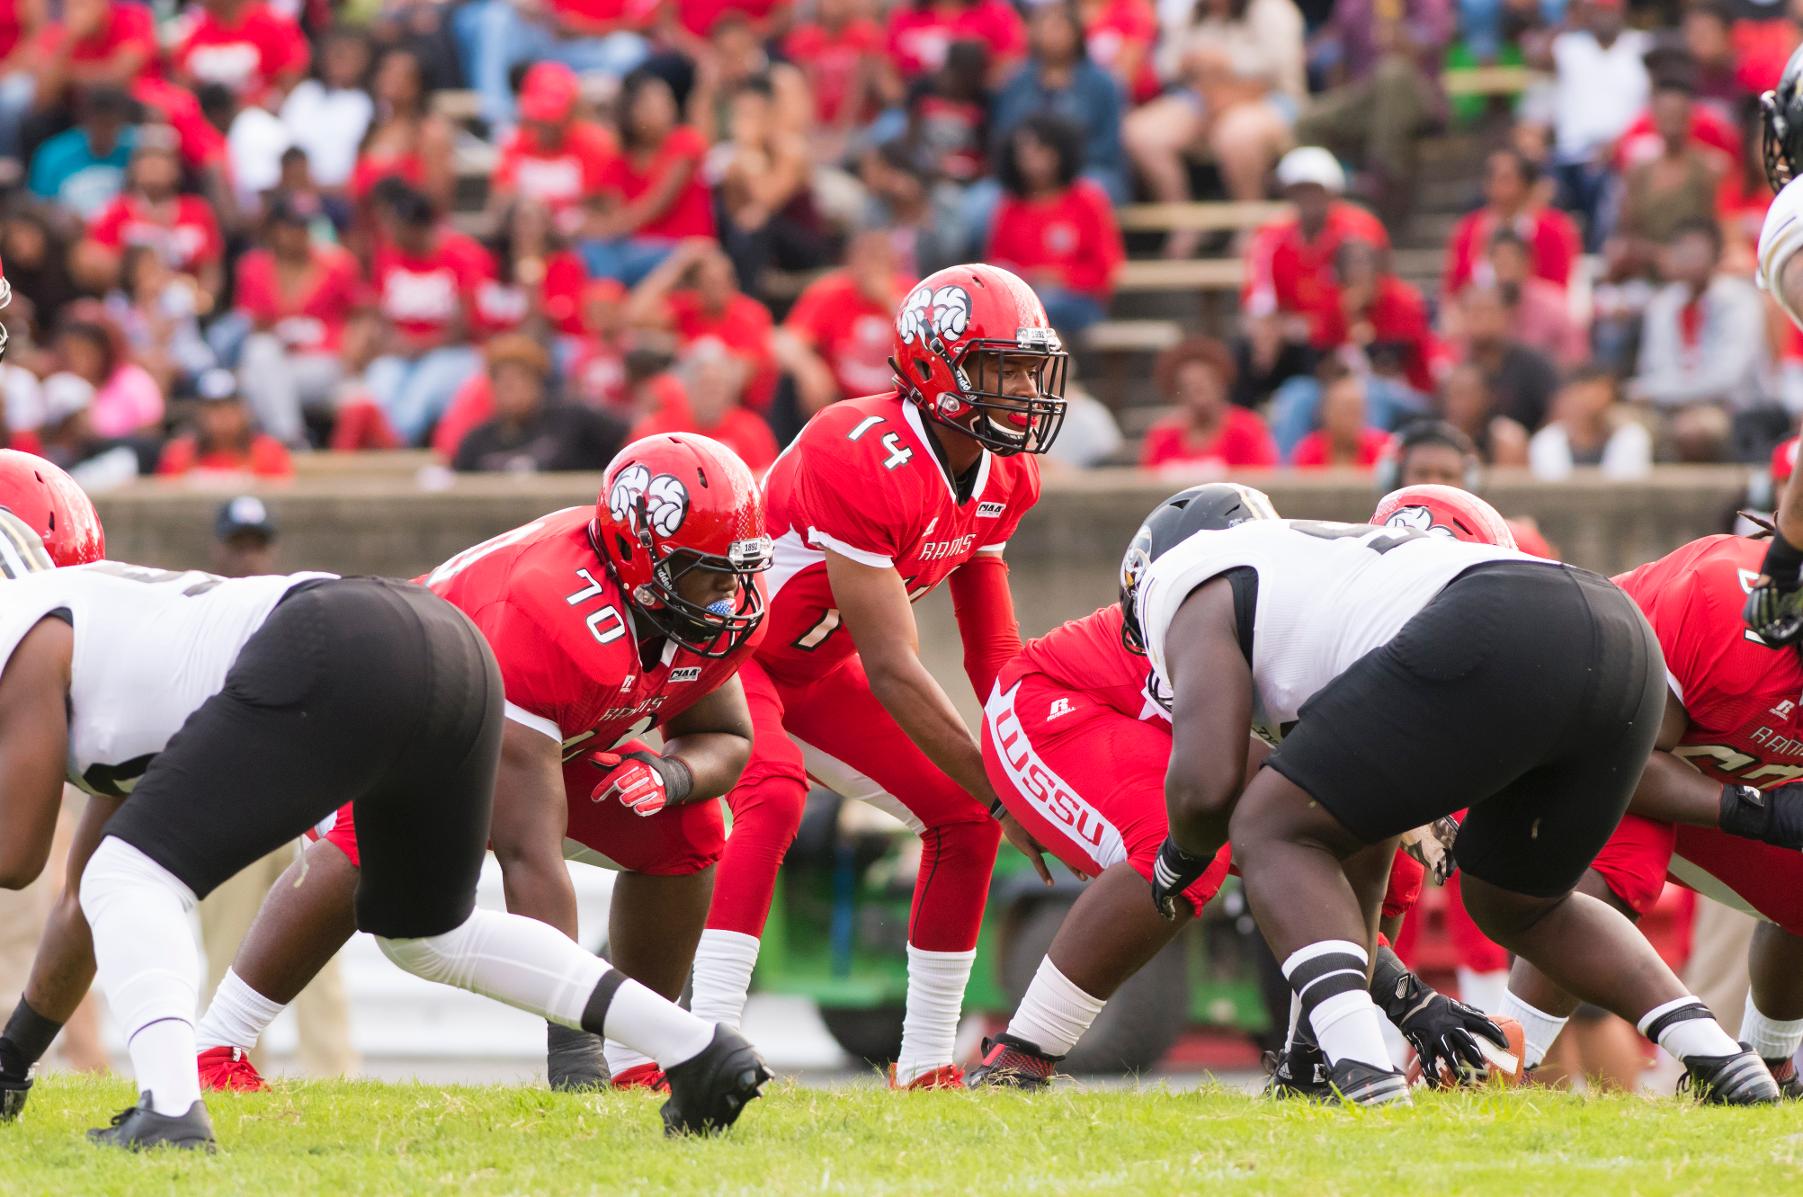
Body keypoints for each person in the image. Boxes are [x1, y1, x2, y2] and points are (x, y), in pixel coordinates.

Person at [0, 444, 773, 1148]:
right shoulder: (100, 635)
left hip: (348, 641)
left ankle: (172, 1106)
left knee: (131, 878)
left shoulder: (29, 624)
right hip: (439, 644)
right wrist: (13, 1059)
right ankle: (695, 1046)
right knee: (426, 934)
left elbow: (16, 857)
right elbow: (75, 895)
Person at [1125, 509, 1777, 1105]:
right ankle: (1722, 1057)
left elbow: (1204, 787)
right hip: (1619, 630)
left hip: (1499, 622)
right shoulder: (1313, 586)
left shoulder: (1188, 578)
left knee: (1264, 826)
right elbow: (1353, 842)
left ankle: (1364, 1075)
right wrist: (1301, 1053)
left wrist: (1178, 857)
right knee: (1520, 900)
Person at [969, 483, 1501, 1091]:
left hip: (1186, 734)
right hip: (1054, 703)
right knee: (1184, 849)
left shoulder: (1352, 612)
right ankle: (1020, 1057)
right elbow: (1211, 787)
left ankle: (1312, 1061)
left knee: (1386, 862)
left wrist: (1401, 992)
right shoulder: (1313, 610)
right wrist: (1406, 997)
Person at [687, 263, 1066, 1089]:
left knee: (966, 818)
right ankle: (703, 1043)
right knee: (776, 791)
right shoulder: (856, 449)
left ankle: (926, 1061)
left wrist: (1023, 778)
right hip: (727, 654)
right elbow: (894, 668)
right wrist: (1011, 796)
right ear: (936, 368)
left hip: (815, 669)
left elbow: (992, 653)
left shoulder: (1005, 472)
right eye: (1000, 367)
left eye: (1030, 368)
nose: (1022, 388)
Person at [1502, 531, 1803, 1095]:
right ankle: (1504, 1057)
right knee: (1627, 865)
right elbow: (1621, 756)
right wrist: (1760, 812)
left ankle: (1774, 1067)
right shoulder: (1719, 603)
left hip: (1708, 772)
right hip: (1595, 752)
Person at [193, 496, 357, 1083]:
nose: (247, 557)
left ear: (273, 549)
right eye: (238, 545)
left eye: (256, 545)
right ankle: (226, 1068)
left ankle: (332, 1077)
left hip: (301, 799)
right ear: (218, 549)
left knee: (320, 953)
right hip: (228, 807)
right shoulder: (200, 614)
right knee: (227, 950)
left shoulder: (301, 613)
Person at [1126, 0, 1304, 247]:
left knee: (1237, 133)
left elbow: (1279, 65)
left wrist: (1226, 63)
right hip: (1202, 99)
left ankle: (1250, 225)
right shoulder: (1192, 13)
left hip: (1267, 98)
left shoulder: (1273, 9)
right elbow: (1165, 63)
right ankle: (1183, 221)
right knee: (1141, 133)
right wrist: (1189, 63)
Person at [1629, 217, 1771, 460]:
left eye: (1696, 252)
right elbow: (1652, 366)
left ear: (1715, 255)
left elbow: (1727, 377)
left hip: (1730, 409)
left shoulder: (1740, 301)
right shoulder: (1663, 304)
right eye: (1681, 250)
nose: (1688, 259)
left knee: (1693, 431)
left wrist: (1663, 391)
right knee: (1624, 427)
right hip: (1668, 408)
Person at [234, 195, 363, 447]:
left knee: (255, 379)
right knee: (260, 355)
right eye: (293, 226)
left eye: (305, 226)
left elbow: (362, 317)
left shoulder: (338, 263)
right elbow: (255, 327)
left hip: (324, 364)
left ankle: (285, 442)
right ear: (275, 229)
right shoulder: (254, 267)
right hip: (280, 363)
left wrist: (352, 355)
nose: (300, 233)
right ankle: (292, 439)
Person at [984, 114, 1123, 340]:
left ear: (1060, 152)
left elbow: (1105, 268)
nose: (1032, 162)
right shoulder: (1010, 207)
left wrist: (1062, 278)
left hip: (1078, 302)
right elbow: (997, 266)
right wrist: (1026, 279)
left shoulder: (1087, 200)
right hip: (1024, 301)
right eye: (1025, 155)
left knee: (1042, 314)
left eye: (1041, 153)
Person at [988, 1, 1128, 204]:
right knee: (982, 207)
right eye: (1046, 29)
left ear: (1077, 33)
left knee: (1091, 194)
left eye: (1060, 28)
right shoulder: (1015, 83)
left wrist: (1057, 165)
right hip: (1022, 173)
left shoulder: (1104, 84)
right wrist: (1031, 165)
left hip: (1088, 169)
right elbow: (1004, 134)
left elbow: (1108, 145)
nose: (1053, 37)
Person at [585, 71, 714, 286]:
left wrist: (601, 228)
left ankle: (609, 299)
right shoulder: (620, 160)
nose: (664, 110)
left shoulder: (684, 142)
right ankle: (607, 300)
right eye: (652, 104)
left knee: (598, 250)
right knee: (592, 249)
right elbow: (608, 206)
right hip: (633, 250)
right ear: (630, 111)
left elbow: (654, 206)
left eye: (666, 102)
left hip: (680, 249)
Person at [450, 336, 625, 473]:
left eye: (520, 378)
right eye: (501, 381)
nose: (511, 388)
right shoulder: (478, 440)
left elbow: (627, 440)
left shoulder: (574, 420)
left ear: (538, 381)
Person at [627, 342, 779, 474]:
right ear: (687, 386)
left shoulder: (753, 430)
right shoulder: (656, 431)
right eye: (704, 385)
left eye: (717, 385)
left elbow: (766, 480)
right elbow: (631, 472)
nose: (711, 394)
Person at [1138, 337, 1278, 472]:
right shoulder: (1162, 437)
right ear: (1177, 392)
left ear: (1221, 384)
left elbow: (1263, 480)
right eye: (1189, 386)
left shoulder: (1247, 429)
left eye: (1206, 384)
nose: (1199, 395)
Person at [1529, 364, 1654, 480]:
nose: (1590, 399)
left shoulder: (1632, 438)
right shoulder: (1546, 441)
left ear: (1612, 396)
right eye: (1582, 391)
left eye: (1599, 392)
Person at [1288, 368, 1390, 469]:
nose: (1352, 418)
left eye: (1357, 410)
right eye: (1345, 410)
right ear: (1325, 411)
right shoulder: (1308, 451)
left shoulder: (1382, 450)